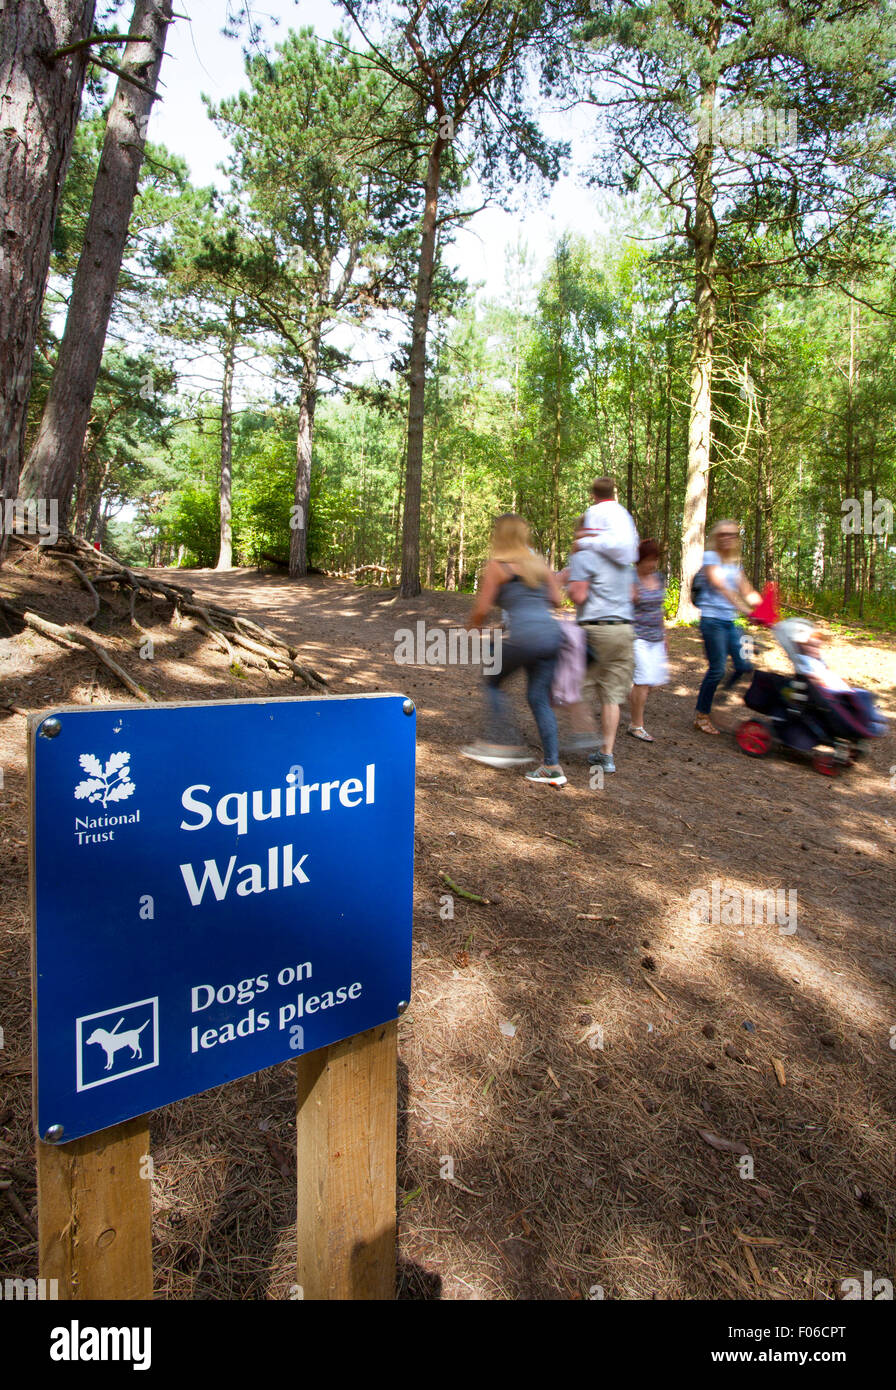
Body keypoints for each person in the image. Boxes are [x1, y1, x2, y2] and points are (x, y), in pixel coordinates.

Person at [462, 514, 567, 786]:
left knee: (493, 682)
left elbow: (482, 609)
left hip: (523, 636)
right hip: (551, 636)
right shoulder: (538, 565)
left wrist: (471, 627)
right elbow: (557, 601)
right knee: (538, 698)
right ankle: (552, 766)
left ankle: (503, 744)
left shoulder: (497, 567)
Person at [567, 479, 639, 774]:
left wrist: (573, 589)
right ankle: (606, 755)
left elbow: (578, 594)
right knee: (611, 695)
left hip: (594, 629)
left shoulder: (586, 554)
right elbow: (635, 595)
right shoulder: (625, 562)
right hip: (624, 629)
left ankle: (582, 733)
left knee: (570, 684)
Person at [694, 520, 760, 735]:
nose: (727, 537)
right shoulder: (710, 558)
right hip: (712, 621)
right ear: (716, 536)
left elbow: (747, 590)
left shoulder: (734, 563)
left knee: (743, 665)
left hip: (730, 622)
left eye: (731, 534)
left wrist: (764, 611)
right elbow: (721, 586)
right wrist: (746, 610)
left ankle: (719, 697)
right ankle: (702, 715)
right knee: (717, 669)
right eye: (723, 534)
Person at [628, 539, 669, 742]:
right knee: (643, 681)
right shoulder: (630, 579)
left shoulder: (659, 578)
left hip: (656, 636)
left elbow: (660, 608)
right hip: (637, 636)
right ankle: (636, 725)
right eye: (648, 560)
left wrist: (665, 635)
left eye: (655, 559)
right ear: (639, 560)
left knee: (653, 681)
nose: (652, 564)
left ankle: (631, 693)